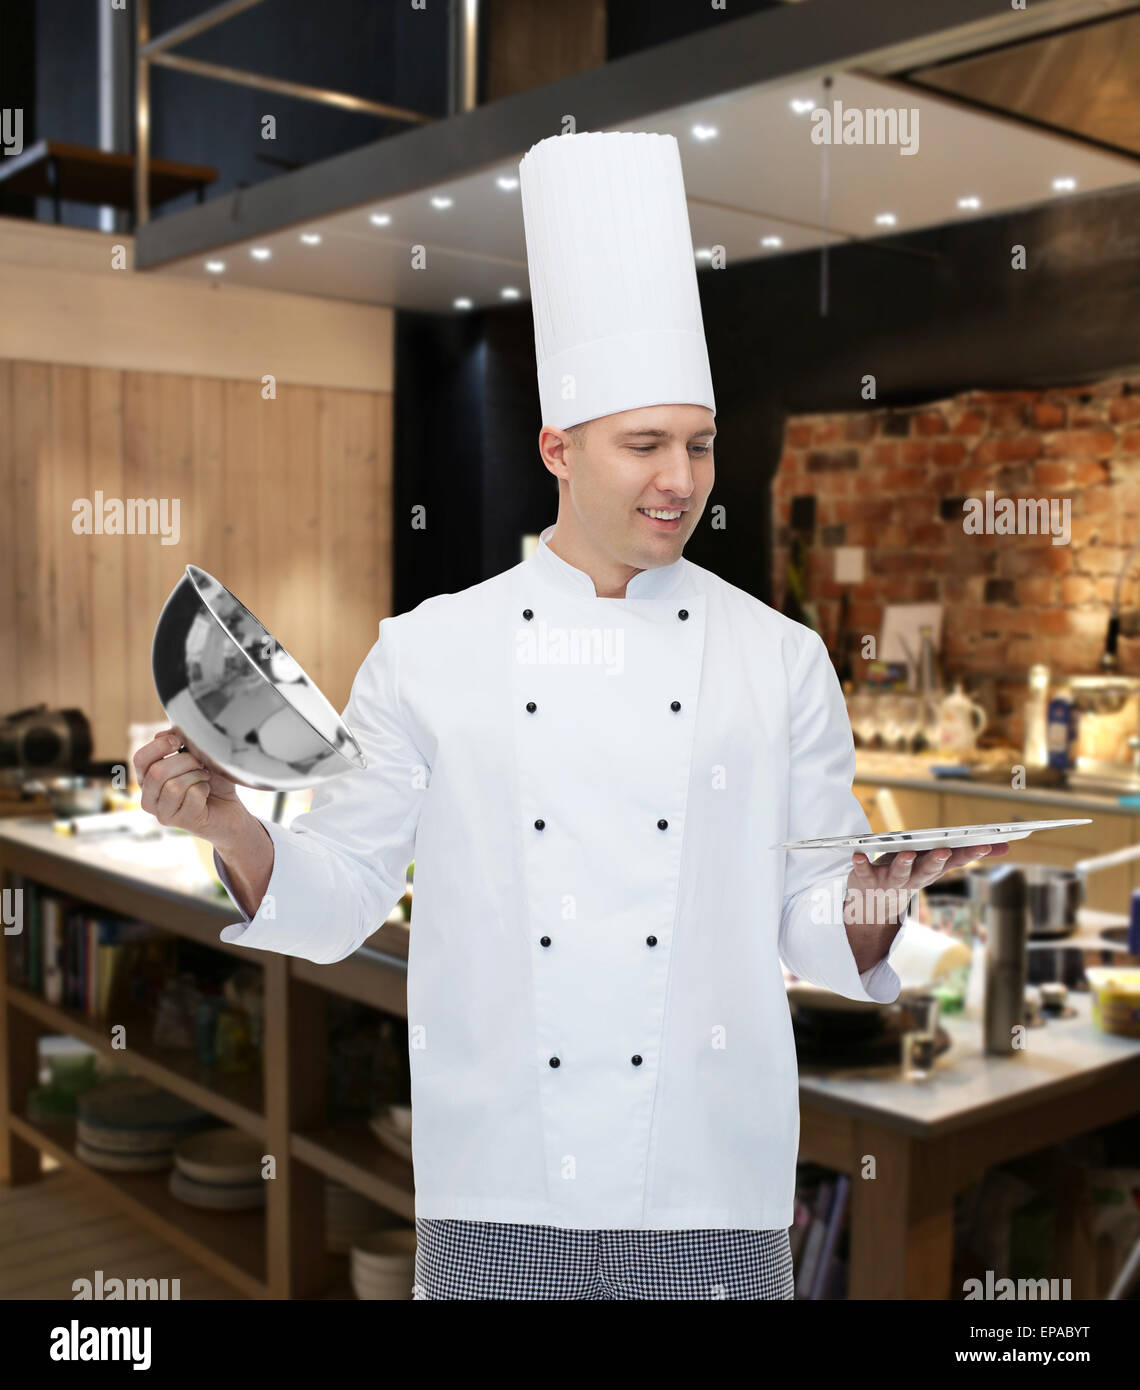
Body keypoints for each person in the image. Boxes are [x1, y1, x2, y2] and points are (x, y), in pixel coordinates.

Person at [134, 132, 1007, 1300]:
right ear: (556, 447)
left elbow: (808, 918)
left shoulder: (779, 657)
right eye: (643, 444)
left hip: (711, 1182)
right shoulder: (430, 649)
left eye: (697, 444)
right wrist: (234, 826)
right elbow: (338, 892)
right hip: (500, 1180)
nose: (681, 479)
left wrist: (877, 896)